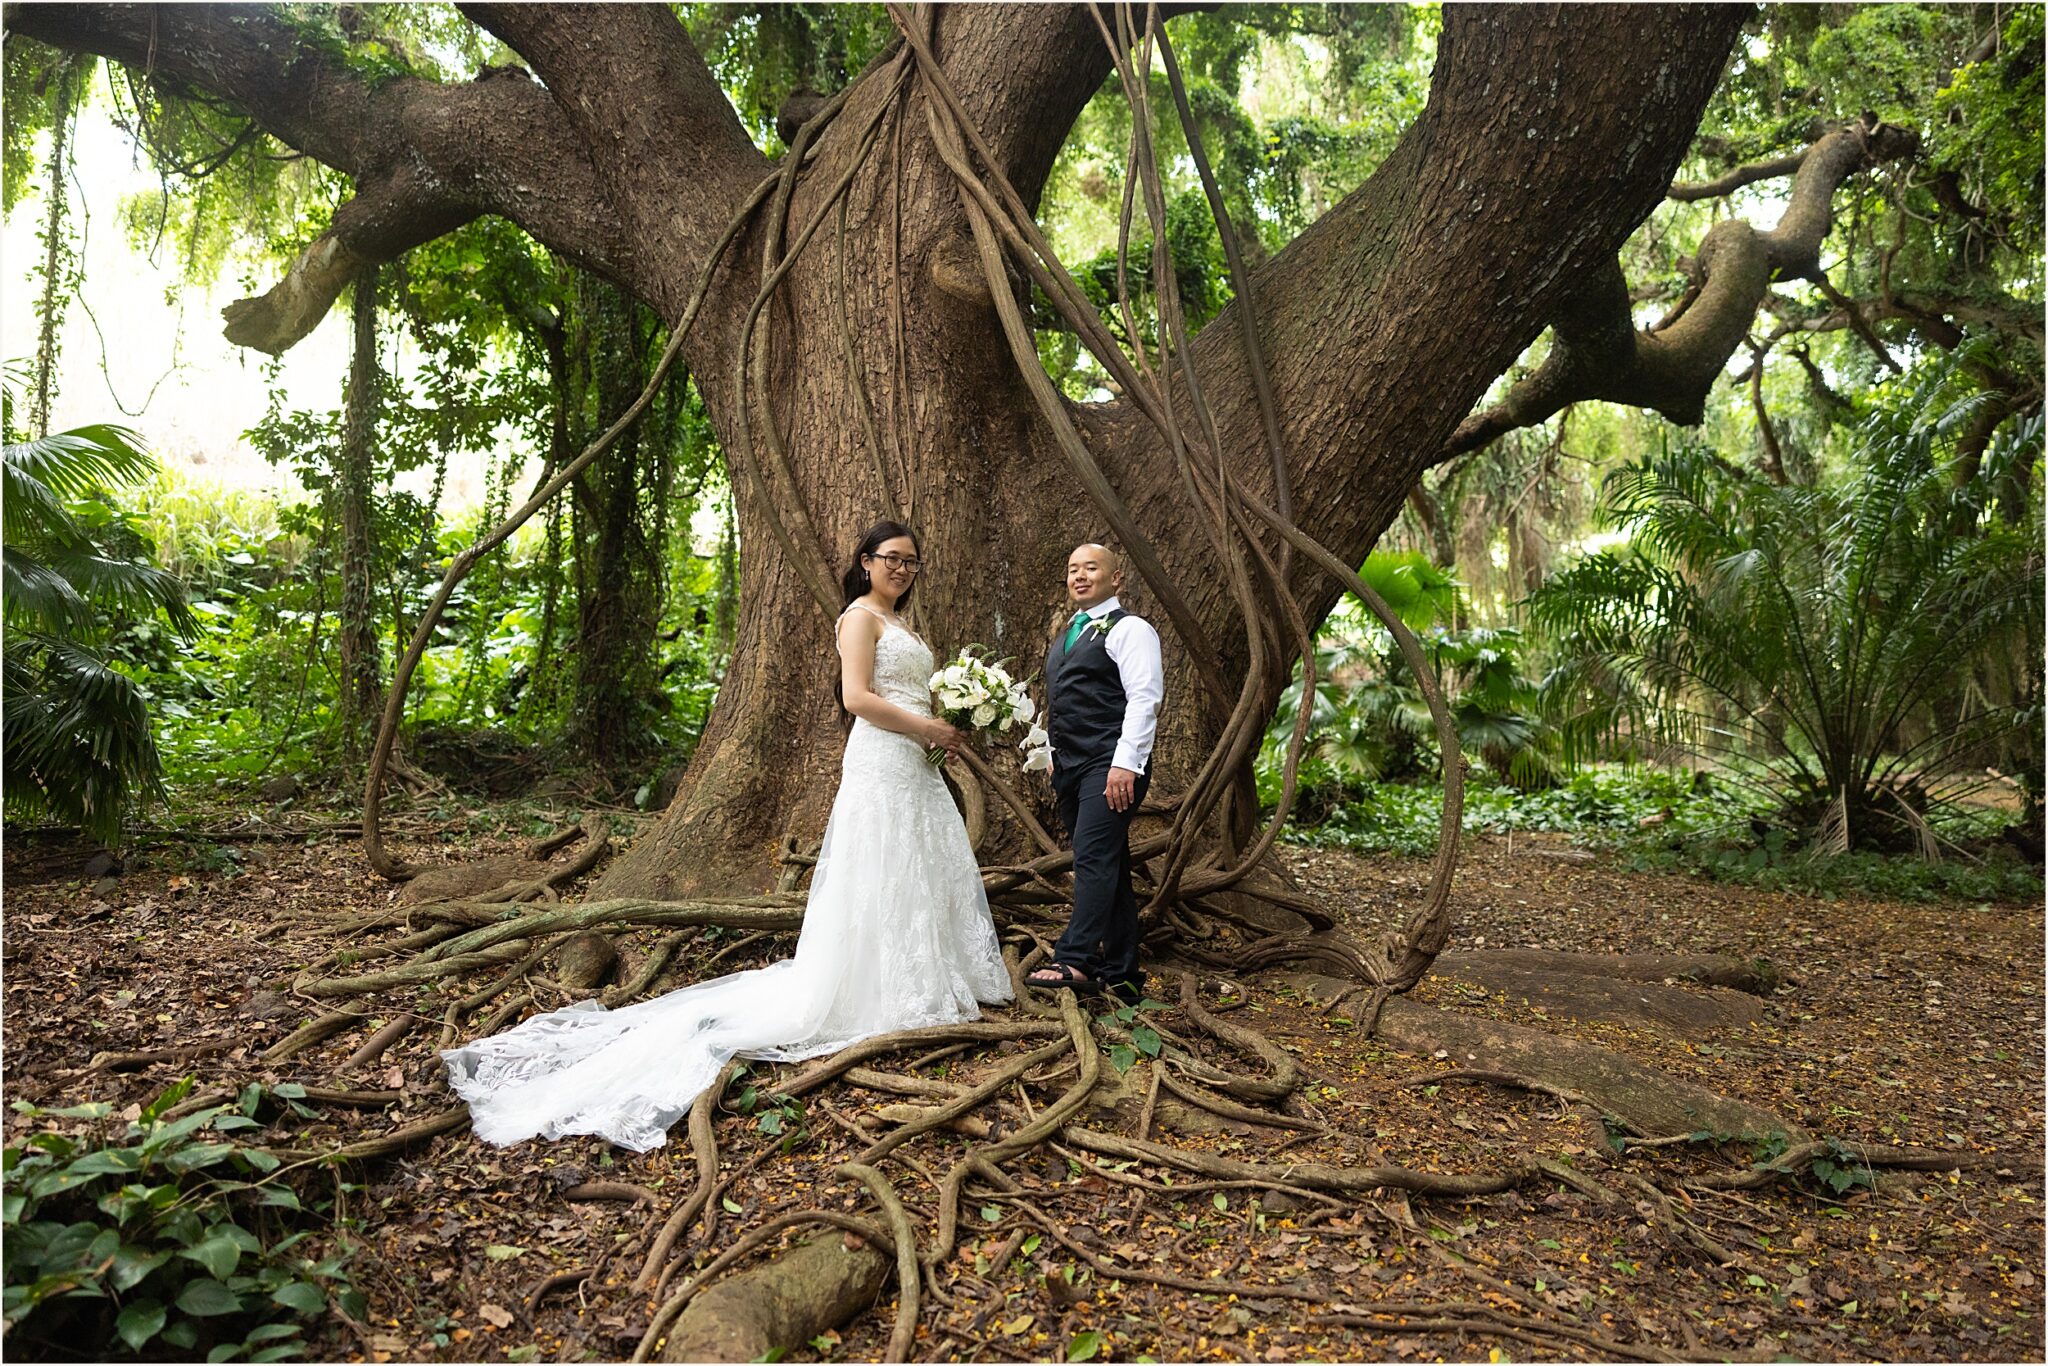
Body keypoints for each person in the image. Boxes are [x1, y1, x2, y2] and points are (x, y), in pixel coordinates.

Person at [441, 520, 1012, 1151]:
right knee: (882, 862)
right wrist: (926, 728)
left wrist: (945, 723)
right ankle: (881, 986)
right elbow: (855, 698)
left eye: (911, 562)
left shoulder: (903, 624)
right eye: (892, 560)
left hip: (912, 760)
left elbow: (903, 691)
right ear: (866, 562)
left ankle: (930, 971)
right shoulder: (859, 617)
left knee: (917, 861)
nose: (902, 570)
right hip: (883, 755)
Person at [1024, 542, 1164, 1005]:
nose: (1079, 576)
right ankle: (1123, 973)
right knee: (1111, 863)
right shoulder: (1069, 632)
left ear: (1116, 578)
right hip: (1070, 765)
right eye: (1072, 570)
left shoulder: (1131, 630)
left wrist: (1126, 762)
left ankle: (1076, 959)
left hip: (1110, 764)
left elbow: (1145, 697)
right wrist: (1050, 755)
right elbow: (1063, 699)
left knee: (1091, 857)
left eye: (1091, 568)